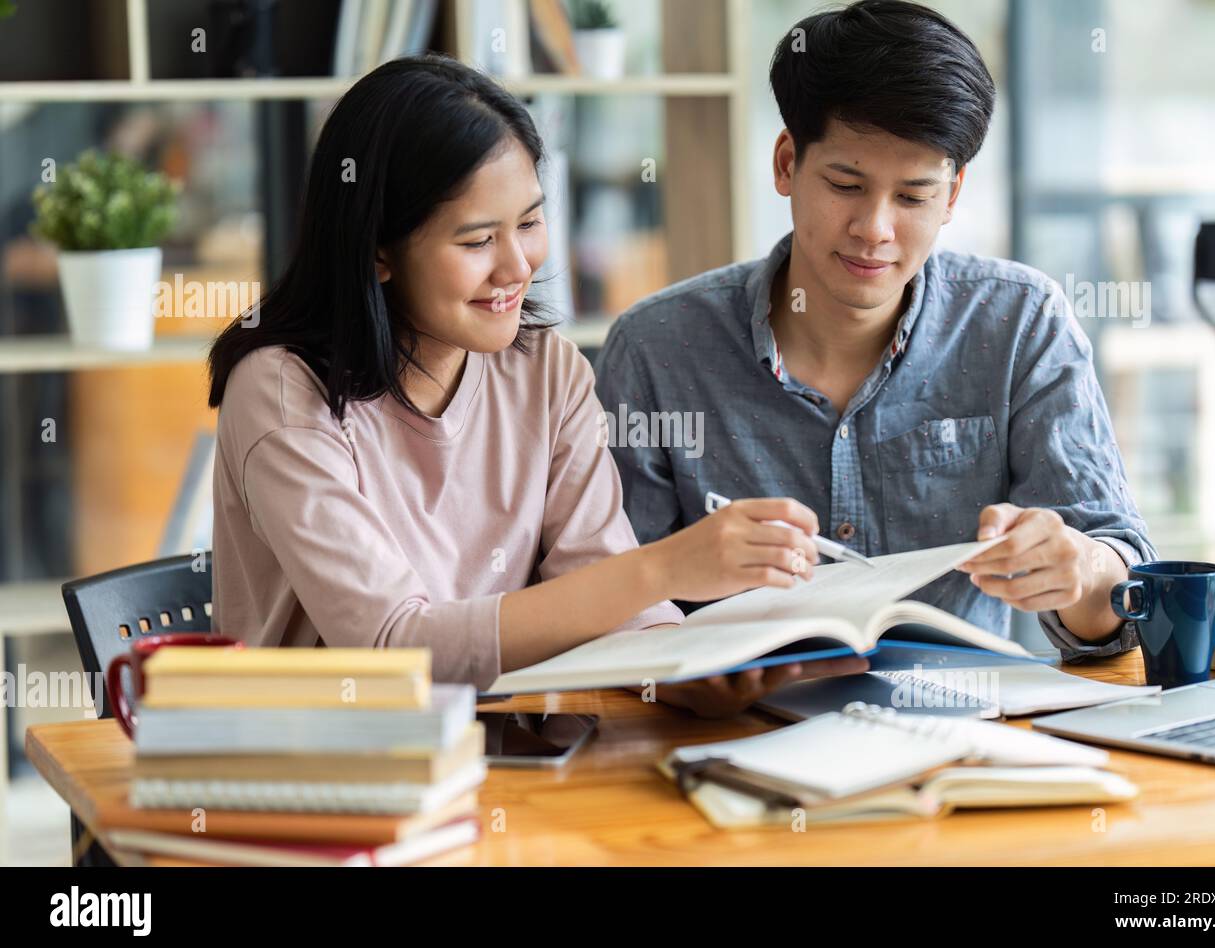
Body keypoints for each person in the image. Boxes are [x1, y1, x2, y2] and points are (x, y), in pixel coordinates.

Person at [207, 55, 868, 717]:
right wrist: (664, 567)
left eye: (528, 223)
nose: (518, 266)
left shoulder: (546, 370)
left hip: (502, 748)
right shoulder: (283, 392)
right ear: (379, 249)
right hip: (318, 762)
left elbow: (593, 581)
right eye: (476, 241)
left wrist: (677, 664)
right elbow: (390, 646)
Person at [595, 0, 1158, 661]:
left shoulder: (1018, 324)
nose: (875, 228)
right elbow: (609, 595)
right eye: (846, 184)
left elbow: (1121, 600)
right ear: (786, 164)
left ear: (951, 197)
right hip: (725, 735)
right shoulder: (658, 349)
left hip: (956, 734)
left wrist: (1081, 570)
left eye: (914, 196)